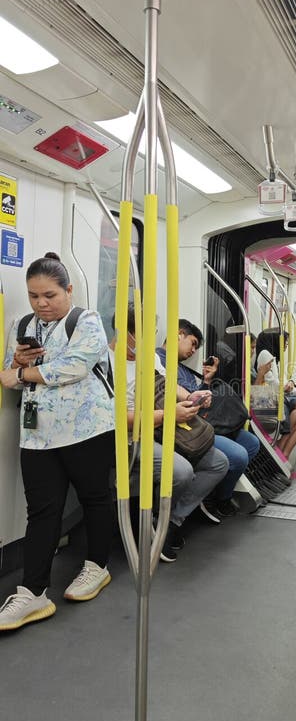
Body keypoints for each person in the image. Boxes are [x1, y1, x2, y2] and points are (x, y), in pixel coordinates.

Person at [0, 253, 116, 631]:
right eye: (33, 296)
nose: (41, 304)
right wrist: (18, 362)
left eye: (49, 295)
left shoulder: (87, 320)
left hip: (87, 429)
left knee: (95, 498)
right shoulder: (22, 324)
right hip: (37, 434)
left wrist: (22, 372)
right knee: (42, 511)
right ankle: (32, 592)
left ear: (68, 290)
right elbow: (7, 373)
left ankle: (97, 566)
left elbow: (75, 367)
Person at [110, 306, 229, 561]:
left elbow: (168, 384)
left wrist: (192, 397)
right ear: (122, 332)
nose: (143, 341)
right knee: (182, 471)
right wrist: (168, 415)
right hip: (132, 435)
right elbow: (117, 419)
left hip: (160, 425)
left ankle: (169, 521)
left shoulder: (148, 357)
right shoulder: (107, 362)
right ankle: (158, 522)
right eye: (136, 335)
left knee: (219, 463)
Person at [177, 318, 260, 519]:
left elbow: (199, 398)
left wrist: (206, 381)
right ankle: (216, 499)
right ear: (179, 335)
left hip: (202, 417)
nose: (194, 352)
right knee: (239, 455)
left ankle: (215, 493)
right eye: (193, 344)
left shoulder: (185, 368)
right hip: (188, 425)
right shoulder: (161, 364)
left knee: (251, 443)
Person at [254, 327, 296, 458]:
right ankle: (279, 450)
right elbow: (272, 384)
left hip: (276, 394)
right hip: (268, 397)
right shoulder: (266, 355)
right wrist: (287, 387)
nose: (286, 345)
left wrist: (289, 385)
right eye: (284, 341)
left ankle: (284, 455)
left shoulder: (273, 357)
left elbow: (279, 380)